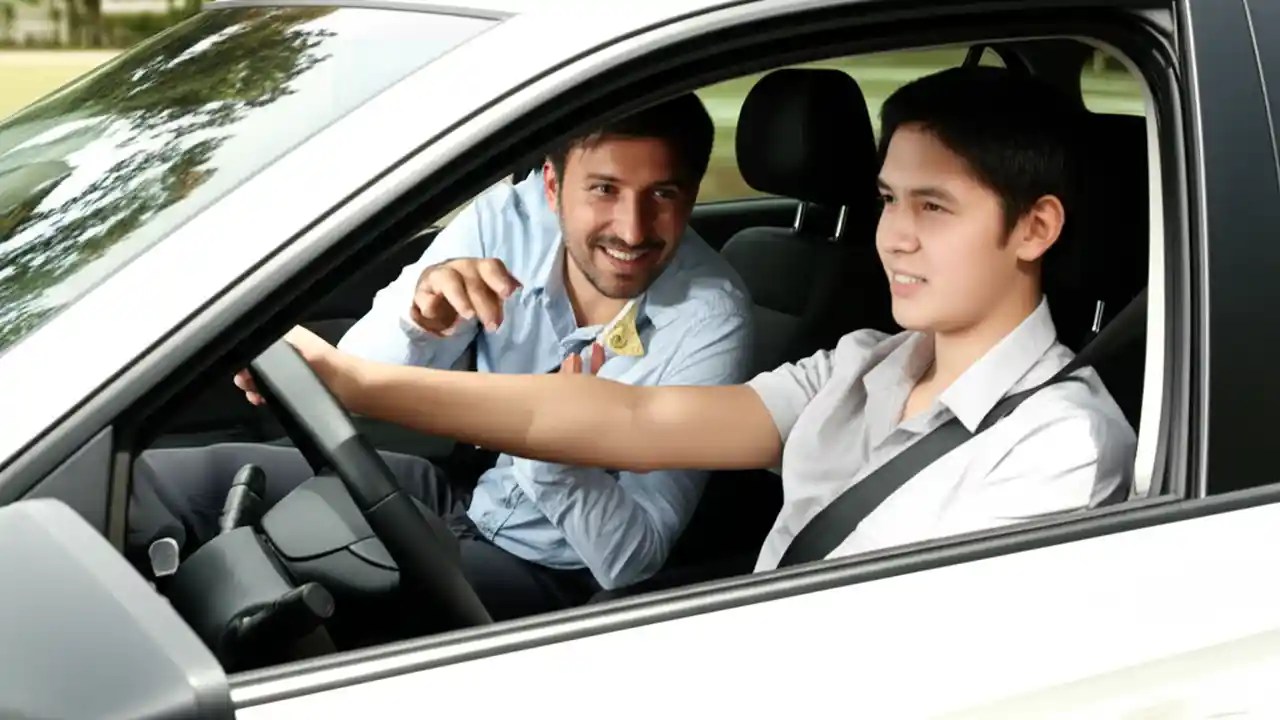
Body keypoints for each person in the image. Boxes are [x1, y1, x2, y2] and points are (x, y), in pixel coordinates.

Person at [236, 66, 1138, 574]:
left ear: (1034, 226)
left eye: (933, 208)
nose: (894, 238)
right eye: (887, 200)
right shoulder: (864, 364)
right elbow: (632, 420)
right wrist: (351, 380)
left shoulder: (1060, 445)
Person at [130, 93, 755, 618]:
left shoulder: (709, 319)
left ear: (693, 195)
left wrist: (554, 447)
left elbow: (631, 559)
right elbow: (353, 374)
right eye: (604, 189)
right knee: (180, 481)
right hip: (467, 497)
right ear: (551, 185)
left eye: (663, 195)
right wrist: (421, 324)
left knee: (297, 595)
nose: (633, 229)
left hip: (557, 575)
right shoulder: (504, 224)